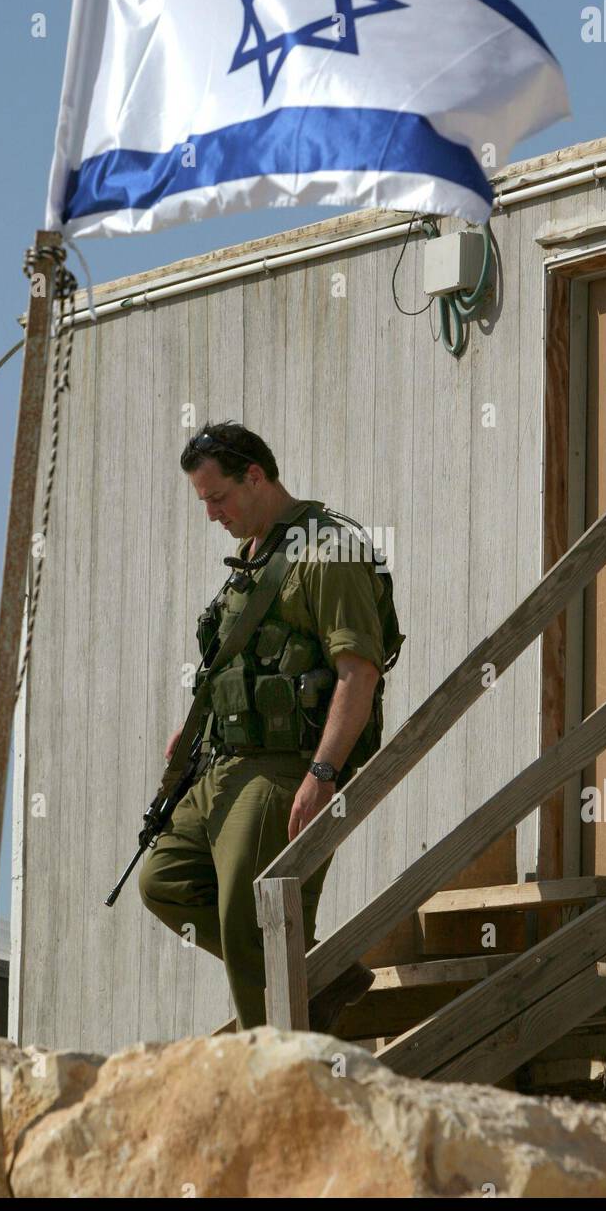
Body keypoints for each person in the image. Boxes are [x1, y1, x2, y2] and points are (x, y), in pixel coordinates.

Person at [138, 420, 403, 1033]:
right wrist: (194, 727)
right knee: (164, 881)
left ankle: (282, 1062)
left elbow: (357, 673)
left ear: (255, 476)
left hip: (284, 767)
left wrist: (323, 771)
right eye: (204, 502)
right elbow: (237, 663)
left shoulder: (327, 549)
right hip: (222, 765)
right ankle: (322, 977)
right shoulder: (252, 559)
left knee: (246, 914)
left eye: (217, 497)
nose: (212, 515)